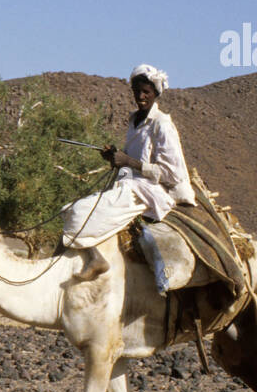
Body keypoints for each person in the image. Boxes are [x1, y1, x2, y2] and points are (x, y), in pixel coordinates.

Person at [61, 63, 195, 283]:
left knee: (78, 212)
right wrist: (115, 158)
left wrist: (129, 161)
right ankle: (92, 256)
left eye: (146, 92)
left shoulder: (162, 124)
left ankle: (97, 260)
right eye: (137, 91)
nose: (141, 96)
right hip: (129, 184)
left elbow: (173, 174)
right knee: (67, 210)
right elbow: (132, 159)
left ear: (155, 94)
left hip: (148, 191)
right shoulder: (135, 120)